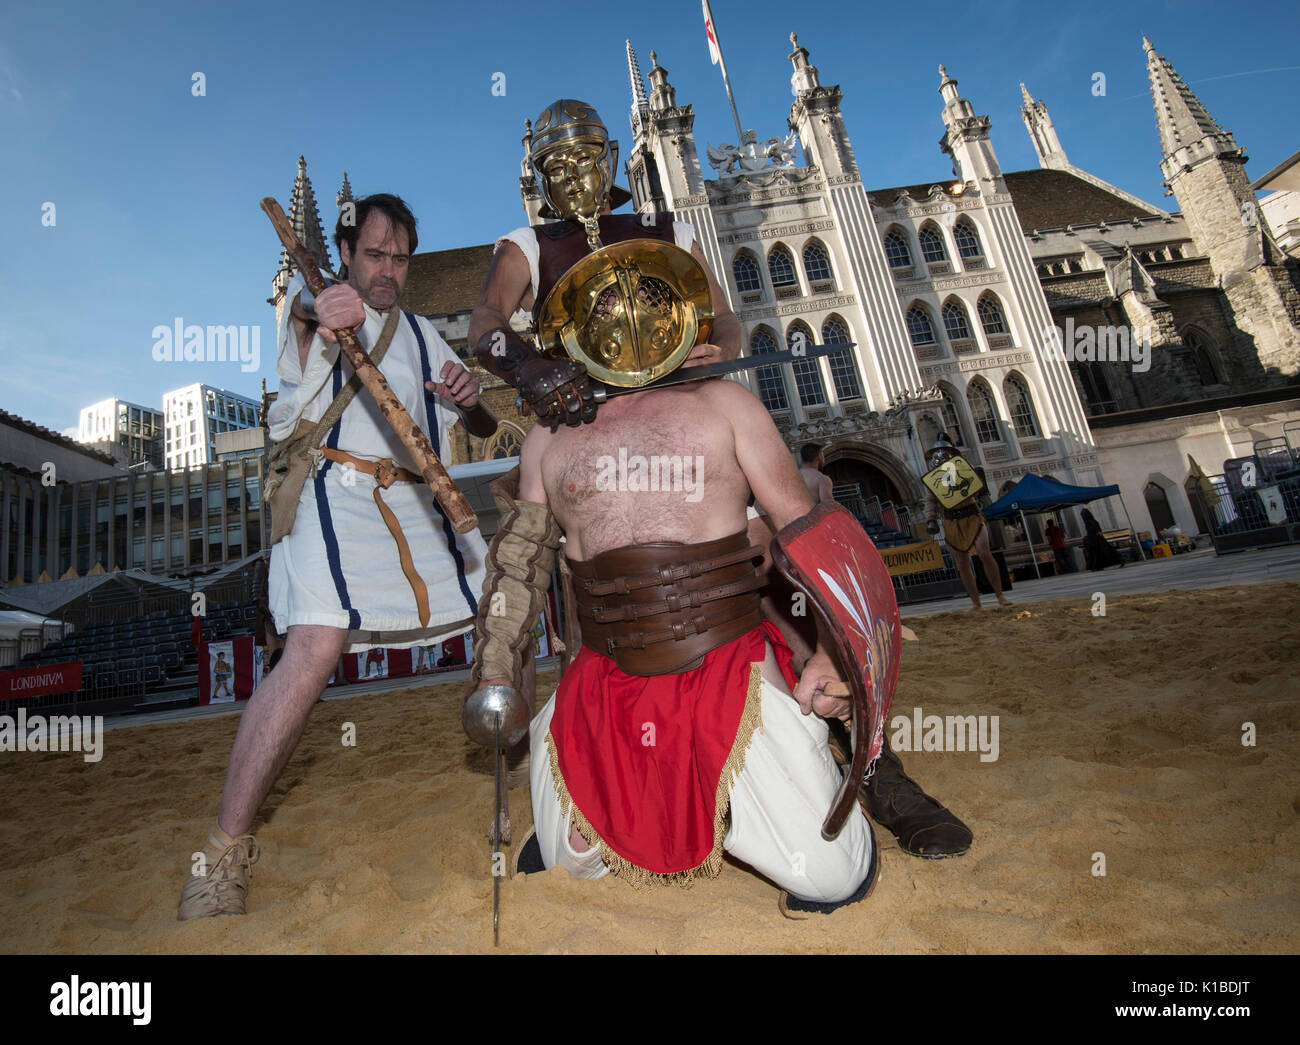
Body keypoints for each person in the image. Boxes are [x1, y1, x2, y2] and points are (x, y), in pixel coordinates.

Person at [463, 101, 968, 915]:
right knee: (593, 615)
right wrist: (528, 370)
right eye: (556, 164)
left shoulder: (670, 236)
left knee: (775, 562)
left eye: (587, 156)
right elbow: (484, 327)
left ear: (612, 154)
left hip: (699, 504)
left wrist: (716, 350)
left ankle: (874, 767)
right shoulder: (525, 250)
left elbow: (729, 321)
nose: (575, 176)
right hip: (587, 473)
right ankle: (601, 789)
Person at [177, 194, 498, 920]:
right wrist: (322, 314)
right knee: (315, 649)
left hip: (416, 500)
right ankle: (223, 850)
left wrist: (470, 393)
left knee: (502, 609)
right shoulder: (311, 301)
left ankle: (545, 784)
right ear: (348, 252)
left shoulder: (418, 330)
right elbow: (299, 326)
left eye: (400, 258)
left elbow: (478, 417)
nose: (388, 270)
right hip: (333, 490)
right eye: (375, 255)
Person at [923, 434, 1012, 610]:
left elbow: (976, 487)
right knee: (962, 562)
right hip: (951, 519)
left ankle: (1000, 594)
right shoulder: (934, 479)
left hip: (971, 515)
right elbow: (930, 500)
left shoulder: (963, 469)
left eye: (946, 453)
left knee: (984, 552)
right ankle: (976, 602)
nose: (942, 456)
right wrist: (930, 518)